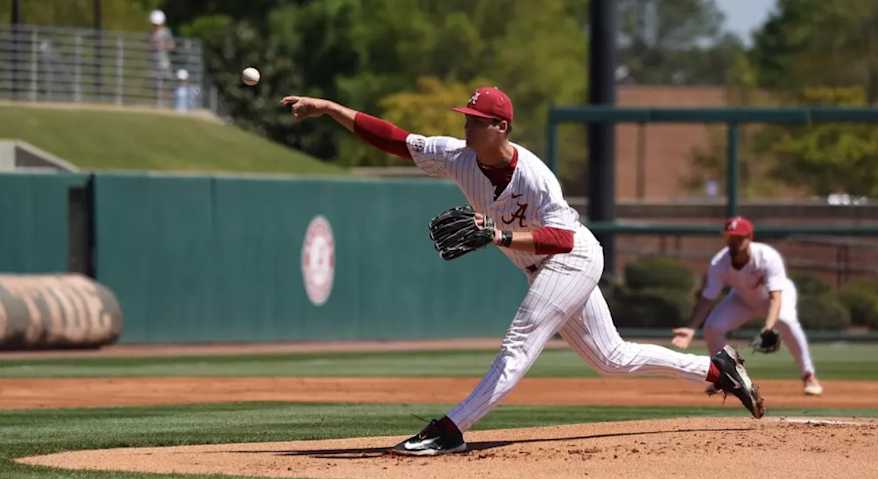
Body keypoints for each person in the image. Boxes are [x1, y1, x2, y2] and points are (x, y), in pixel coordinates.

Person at [282, 87, 766, 456]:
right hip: (543, 267)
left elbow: (567, 239)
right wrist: (330, 108)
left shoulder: (533, 176)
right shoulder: (458, 157)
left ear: (502, 127)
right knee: (612, 359)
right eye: (466, 119)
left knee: (520, 342)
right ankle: (717, 369)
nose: (467, 127)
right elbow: (393, 138)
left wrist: (500, 237)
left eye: (477, 121)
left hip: (572, 259)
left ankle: (450, 431)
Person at [672, 216, 823, 396]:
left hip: (776, 296)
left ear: (750, 237)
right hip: (742, 299)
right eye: (730, 238)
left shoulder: (767, 257)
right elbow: (707, 298)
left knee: (786, 321)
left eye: (739, 238)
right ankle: (726, 376)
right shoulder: (719, 262)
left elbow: (775, 297)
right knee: (712, 327)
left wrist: (768, 327)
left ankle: (809, 375)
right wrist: (691, 328)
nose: (734, 242)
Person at [149, 9, 175, 106]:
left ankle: (167, 103)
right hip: (154, 62)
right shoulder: (151, 33)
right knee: (156, 85)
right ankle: (159, 104)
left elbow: (172, 45)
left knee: (166, 82)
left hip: (164, 62)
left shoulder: (166, 32)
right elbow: (149, 46)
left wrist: (163, 46)